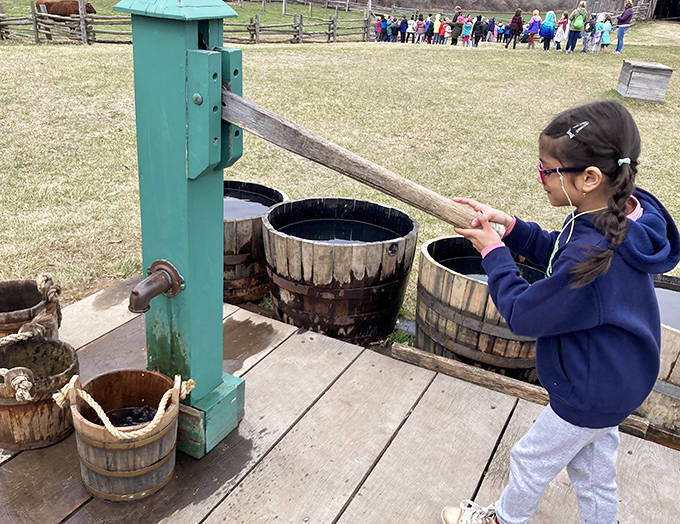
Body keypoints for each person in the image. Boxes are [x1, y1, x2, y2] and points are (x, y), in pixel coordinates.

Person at [441, 100, 680, 524]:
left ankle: (503, 520)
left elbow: (523, 312)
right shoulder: (619, 214)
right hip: (618, 379)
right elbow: (561, 247)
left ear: (588, 178)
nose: (540, 179)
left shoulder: (597, 256)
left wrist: (493, 253)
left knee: (529, 459)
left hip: (591, 387)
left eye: (546, 170)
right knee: (593, 475)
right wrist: (511, 228)